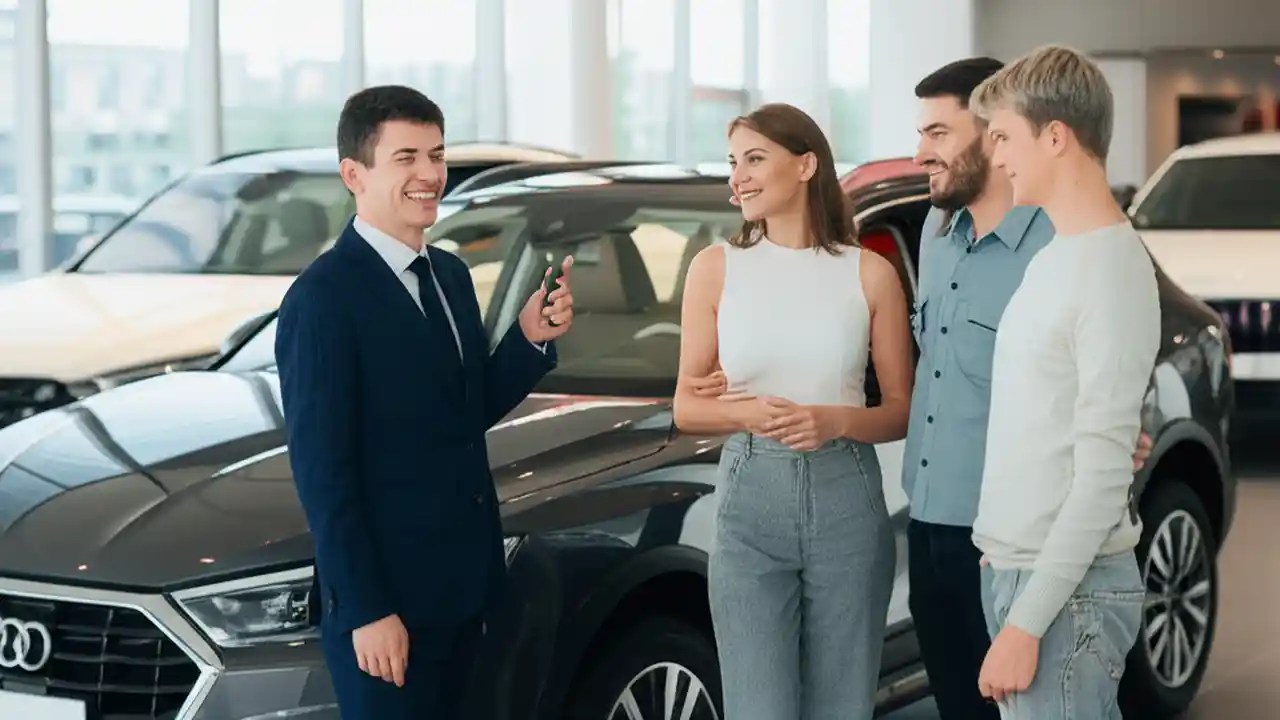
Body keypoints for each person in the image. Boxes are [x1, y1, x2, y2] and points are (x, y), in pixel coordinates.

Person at [274, 85, 574, 720]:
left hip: (467, 596)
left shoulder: (451, 276)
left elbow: (458, 419)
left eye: (436, 155)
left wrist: (525, 340)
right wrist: (366, 609)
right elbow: (323, 475)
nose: (429, 175)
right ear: (354, 175)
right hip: (387, 608)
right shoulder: (323, 299)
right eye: (406, 157)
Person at [902, 57, 1153, 720]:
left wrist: (1025, 621)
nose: (997, 152)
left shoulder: (1103, 265)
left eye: (1004, 134)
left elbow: (1102, 476)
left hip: (1061, 595)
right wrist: (1003, 556)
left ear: (1055, 136)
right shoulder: (1067, 257)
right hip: (1019, 572)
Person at [673, 102, 914, 719]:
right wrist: (748, 414)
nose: (739, 177)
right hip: (749, 497)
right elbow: (687, 409)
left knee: (842, 707)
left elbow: (900, 411)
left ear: (806, 164)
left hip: (847, 493)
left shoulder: (870, 273)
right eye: (734, 163)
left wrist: (833, 421)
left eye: (755, 159)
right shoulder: (714, 269)